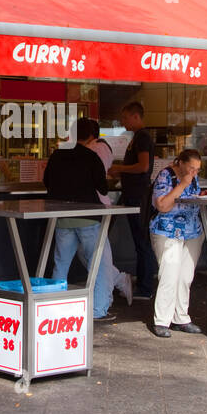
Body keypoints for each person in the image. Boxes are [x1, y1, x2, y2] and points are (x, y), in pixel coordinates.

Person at [43, 120, 115, 322]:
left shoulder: (57, 155)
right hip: (88, 217)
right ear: (91, 137)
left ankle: (53, 308)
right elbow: (103, 188)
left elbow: (47, 181)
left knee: (60, 265)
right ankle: (98, 310)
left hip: (62, 217)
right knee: (98, 265)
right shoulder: (91, 157)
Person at [147, 149, 207, 337]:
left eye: (197, 169)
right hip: (167, 231)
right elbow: (162, 205)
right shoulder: (165, 175)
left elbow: (190, 195)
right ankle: (161, 320)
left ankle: (180, 317)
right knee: (169, 275)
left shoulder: (193, 178)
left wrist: (201, 194)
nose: (194, 172)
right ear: (180, 163)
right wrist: (183, 184)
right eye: (191, 168)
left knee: (185, 277)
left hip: (192, 232)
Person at [82, 122, 135, 306]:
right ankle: (119, 280)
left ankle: (105, 299)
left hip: (96, 206)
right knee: (90, 252)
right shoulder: (99, 148)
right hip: (95, 204)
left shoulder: (95, 149)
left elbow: (96, 178)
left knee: (97, 253)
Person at [107, 102, 155, 300]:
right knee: (139, 241)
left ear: (136, 116)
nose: (123, 122)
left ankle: (145, 287)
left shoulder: (142, 137)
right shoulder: (136, 137)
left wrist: (120, 169)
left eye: (125, 118)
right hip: (132, 193)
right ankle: (143, 284)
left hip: (138, 195)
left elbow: (143, 166)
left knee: (142, 241)